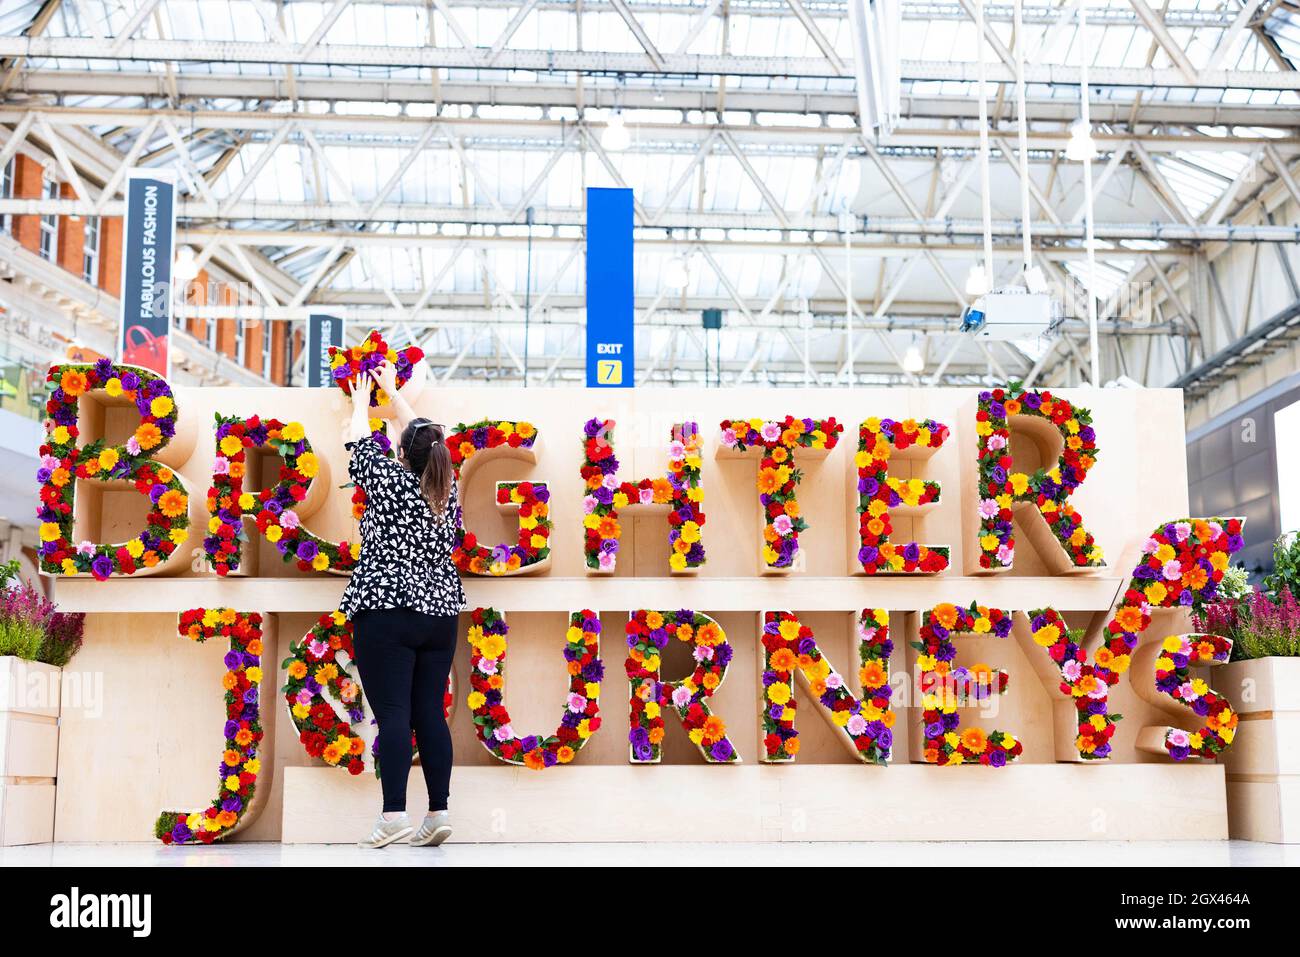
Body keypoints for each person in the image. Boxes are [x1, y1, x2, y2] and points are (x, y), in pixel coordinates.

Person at [339, 360, 465, 848]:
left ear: (401, 453)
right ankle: (438, 812)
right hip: (440, 615)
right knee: (428, 714)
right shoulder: (445, 488)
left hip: (387, 610)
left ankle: (394, 814)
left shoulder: (389, 482)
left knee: (392, 714)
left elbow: (357, 441)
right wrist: (395, 395)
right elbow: (427, 440)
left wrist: (361, 401)